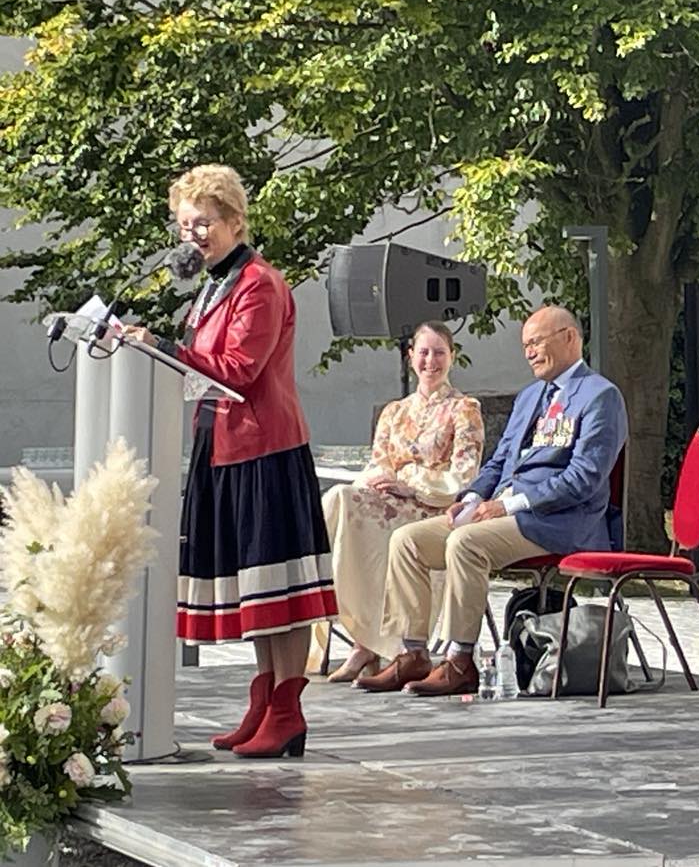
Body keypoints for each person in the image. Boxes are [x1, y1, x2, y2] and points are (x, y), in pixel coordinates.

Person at [123, 164, 336, 759]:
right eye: (186, 224)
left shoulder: (259, 283)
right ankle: (265, 699)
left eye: (205, 223)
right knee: (253, 588)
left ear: (235, 221)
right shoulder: (214, 284)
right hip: (220, 444)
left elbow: (240, 369)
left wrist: (164, 347)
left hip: (264, 448)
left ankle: (287, 709)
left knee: (277, 584)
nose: (194, 234)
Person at [353, 304, 628, 696]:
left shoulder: (600, 396)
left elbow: (584, 479)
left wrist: (507, 505)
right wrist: (472, 496)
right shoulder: (531, 395)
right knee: (408, 541)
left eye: (536, 342)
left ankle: (459, 661)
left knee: (466, 543)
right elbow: (500, 460)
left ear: (569, 338)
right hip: (501, 512)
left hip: (560, 522)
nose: (529, 352)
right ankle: (413, 655)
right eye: (525, 345)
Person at [317, 321, 484, 684]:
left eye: (439, 352)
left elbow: (465, 474)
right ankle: (363, 637)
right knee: (339, 501)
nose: (431, 361)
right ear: (411, 357)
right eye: (423, 352)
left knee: (349, 507)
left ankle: (369, 644)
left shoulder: (464, 409)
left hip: (433, 503)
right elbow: (379, 463)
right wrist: (380, 484)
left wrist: (414, 487)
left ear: (452, 357)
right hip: (390, 500)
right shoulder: (394, 412)